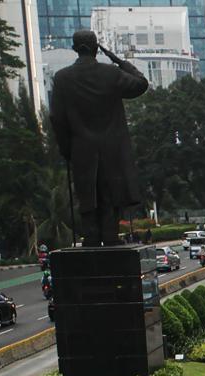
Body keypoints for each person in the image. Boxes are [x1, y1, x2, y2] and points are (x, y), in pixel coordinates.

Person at [49, 30, 149, 246]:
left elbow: (56, 118)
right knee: (110, 198)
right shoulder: (111, 74)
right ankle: (111, 238)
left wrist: (67, 149)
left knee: (88, 199)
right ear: (96, 48)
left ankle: (91, 240)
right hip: (112, 150)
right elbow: (141, 84)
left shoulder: (62, 78)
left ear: (75, 48)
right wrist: (119, 61)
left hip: (81, 149)